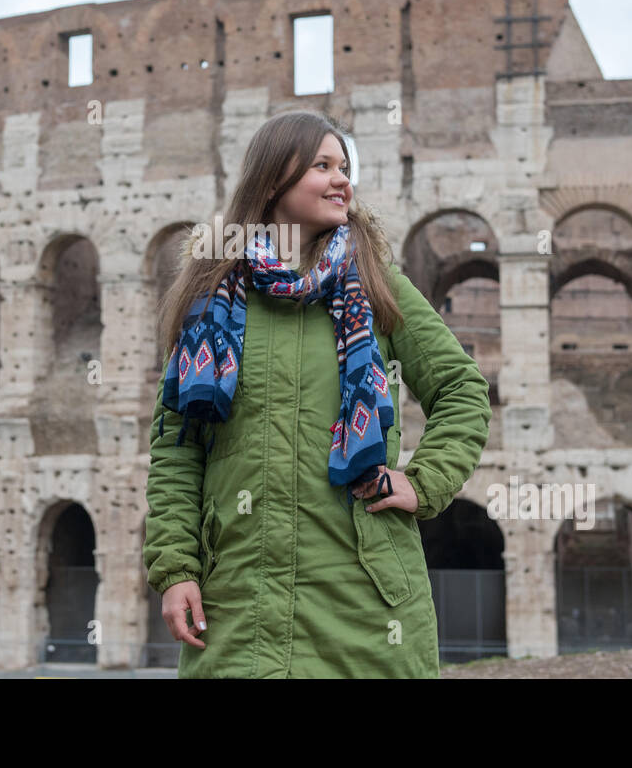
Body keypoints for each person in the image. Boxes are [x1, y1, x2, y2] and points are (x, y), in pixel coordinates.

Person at [143, 110, 492, 678]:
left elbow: (461, 389)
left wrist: (425, 481)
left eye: (345, 167)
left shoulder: (375, 284)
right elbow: (178, 449)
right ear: (272, 178)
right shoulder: (210, 300)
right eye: (322, 165)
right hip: (239, 600)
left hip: (363, 595)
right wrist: (175, 567)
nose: (342, 180)